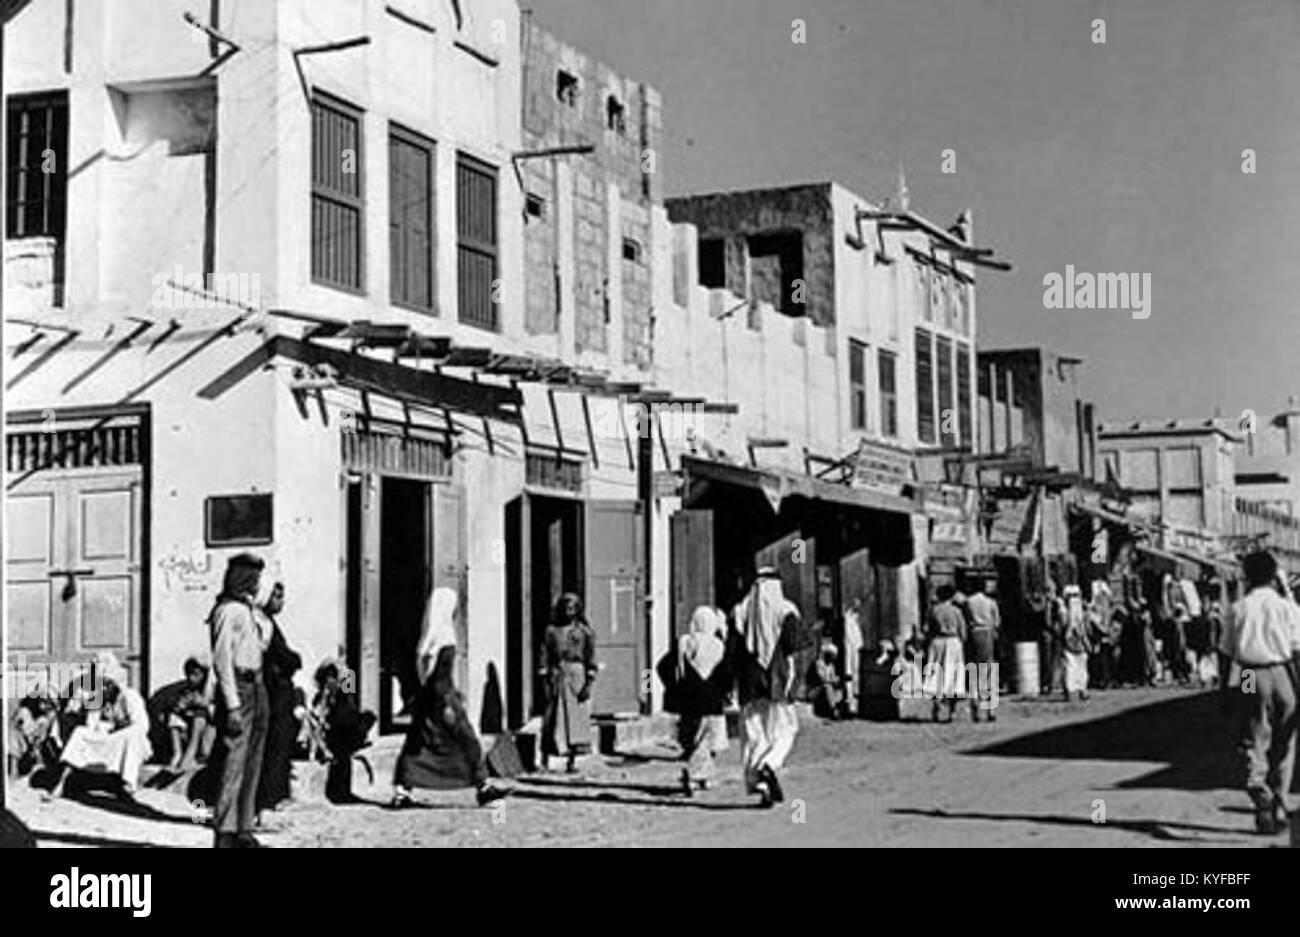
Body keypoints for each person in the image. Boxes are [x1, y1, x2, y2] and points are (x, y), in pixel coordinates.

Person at [392, 588, 501, 807]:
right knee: (466, 741)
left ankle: (401, 792)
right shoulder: (443, 637)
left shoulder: (430, 637)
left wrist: (426, 691)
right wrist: (444, 701)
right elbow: (435, 673)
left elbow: (423, 665)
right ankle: (483, 787)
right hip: (442, 698)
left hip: (433, 697)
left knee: (419, 741)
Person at [1218, 551, 1300, 836]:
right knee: (1285, 740)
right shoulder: (1287, 607)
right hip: (1282, 673)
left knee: (1253, 733)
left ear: (1247, 576)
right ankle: (1279, 802)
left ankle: (1258, 788)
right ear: (1274, 576)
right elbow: (1297, 650)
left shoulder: (1238, 608)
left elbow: (1226, 653)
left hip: (1250, 675)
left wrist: (1225, 691)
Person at [207, 553, 271, 849]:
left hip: (257, 686)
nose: (258, 585)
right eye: (253, 579)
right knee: (233, 761)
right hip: (239, 689)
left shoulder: (248, 610)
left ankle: (244, 827)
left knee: (253, 759)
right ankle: (225, 831)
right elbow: (222, 662)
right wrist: (232, 705)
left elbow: (262, 644)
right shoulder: (226, 611)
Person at [733, 568, 805, 807]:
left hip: (749, 681)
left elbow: (732, 650)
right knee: (784, 728)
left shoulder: (740, 612)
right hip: (777, 678)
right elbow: (794, 645)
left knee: (755, 732)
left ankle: (759, 782)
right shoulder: (786, 610)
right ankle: (770, 765)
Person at [46, 652, 152, 801]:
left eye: (107, 682)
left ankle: (127, 786)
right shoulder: (97, 697)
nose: (104, 686)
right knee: (80, 733)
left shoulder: (130, 696)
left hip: (127, 741)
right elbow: (92, 725)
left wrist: (118, 730)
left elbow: (142, 726)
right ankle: (61, 783)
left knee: (132, 736)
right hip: (107, 739)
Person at [657, 605, 733, 795]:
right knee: (708, 740)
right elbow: (726, 675)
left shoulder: (683, 642)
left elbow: (661, 666)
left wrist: (672, 687)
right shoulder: (719, 645)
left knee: (692, 738)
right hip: (712, 701)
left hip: (687, 700)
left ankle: (700, 776)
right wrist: (726, 693)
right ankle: (695, 776)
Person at [257, 583, 303, 814]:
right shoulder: (262, 625)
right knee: (274, 747)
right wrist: (293, 659)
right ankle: (269, 799)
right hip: (273, 695)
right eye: (276, 597)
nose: (280, 602)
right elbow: (285, 658)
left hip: (278, 695)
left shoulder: (268, 623)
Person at [541, 592, 598, 774]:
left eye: (573, 608)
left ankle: (572, 760)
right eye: (566, 608)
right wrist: (545, 679)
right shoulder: (551, 631)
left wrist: (588, 684)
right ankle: (545, 759)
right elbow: (544, 656)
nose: (569, 611)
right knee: (552, 718)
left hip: (576, 675)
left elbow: (591, 659)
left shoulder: (584, 632)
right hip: (557, 674)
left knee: (575, 720)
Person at [311, 659, 376, 803]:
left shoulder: (345, 682)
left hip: (342, 729)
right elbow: (322, 713)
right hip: (334, 732)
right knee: (342, 756)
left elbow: (349, 704)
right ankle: (340, 792)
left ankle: (342, 791)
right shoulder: (327, 692)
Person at [925, 584, 967, 722]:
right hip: (953, 642)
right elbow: (963, 632)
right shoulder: (956, 611)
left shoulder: (933, 611)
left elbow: (928, 629)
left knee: (936, 674)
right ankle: (952, 712)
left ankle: (936, 706)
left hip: (937, 642)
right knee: (954, 675)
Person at [164, 658, 215, 770]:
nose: (192, 678)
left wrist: (204, 705)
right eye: (189, 674)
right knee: (174, 718)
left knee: (199, 719)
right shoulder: (188, 690)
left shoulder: (213, 690)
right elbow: (178, 705)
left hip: (208, 728)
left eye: (196, 674)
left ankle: (188, 758)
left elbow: (215, 713)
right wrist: (181, 707)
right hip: (189, 725)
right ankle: (177, 754)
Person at [963, 578, 1001, 722]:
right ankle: (990, 709)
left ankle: (975, 707)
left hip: (973, 634)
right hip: (987, 634)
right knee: (989, 671)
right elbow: (997, 622)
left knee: (973, 671)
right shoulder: (991, 602)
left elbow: (965, 620)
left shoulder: (969, 602)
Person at [1061, 584, 1090, 701]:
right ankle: (1073, 690)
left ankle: (1080, 689)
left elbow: (1082, 627)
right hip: (1071, 642)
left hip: (1077, 642)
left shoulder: (1079, 611)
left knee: (1079, 666)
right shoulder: (1065, 611)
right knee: (1072, 666)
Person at [811, 641, 848, 719]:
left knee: (839, 688)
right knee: (827, 687)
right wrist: (832, 680)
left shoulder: (831, 666)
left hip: (828, 686)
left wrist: (836, 680)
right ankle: (833, 710)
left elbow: (832, 676)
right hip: (817, 688)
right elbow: (821, 678)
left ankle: (838, 708)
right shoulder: (819, 664)